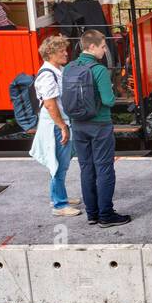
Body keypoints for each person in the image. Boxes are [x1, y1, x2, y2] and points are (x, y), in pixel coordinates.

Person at [65, 29, 130, 227]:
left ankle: (92, 214)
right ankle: (106, 215)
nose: (104, 50)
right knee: (104, 169)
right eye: (102, 47)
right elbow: (109, 101)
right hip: (99, 125)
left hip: (78, 125)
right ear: (91, 46)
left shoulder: (69, 67)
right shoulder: (99, 70)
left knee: (86, 168)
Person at [29, 35, 81, 217]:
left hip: (60, 123)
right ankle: (60, 204)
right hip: (54, 126)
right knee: (58, 164)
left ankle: (59, 196)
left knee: (61, 163)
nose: (66, 53)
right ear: (50, 54)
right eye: (61, 51)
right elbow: (50, 104)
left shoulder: (58, 70)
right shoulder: (47, 75)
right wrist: (62, 126)